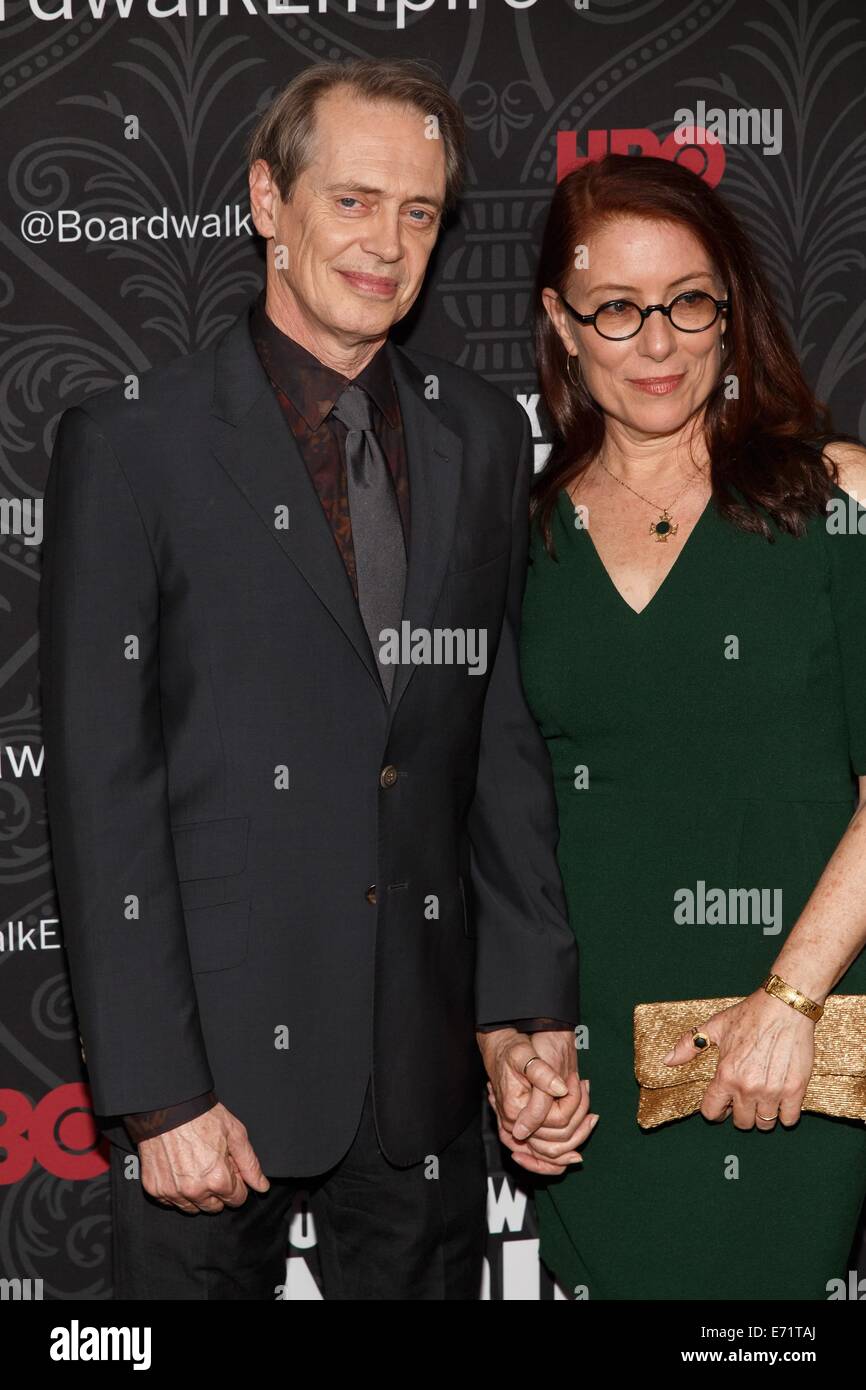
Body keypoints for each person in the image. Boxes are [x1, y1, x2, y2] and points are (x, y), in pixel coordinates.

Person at [38, 59, 596, 1301]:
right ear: (263, 203)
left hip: (422, 1070)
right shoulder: (133, 442)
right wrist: (157, 1089)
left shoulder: (482, 430)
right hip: (212, 1068)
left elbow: (490, 742)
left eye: (417, 212)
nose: (386, 243)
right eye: (351, 201)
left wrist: (523, 1015)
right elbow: (98, 788)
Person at [506, 152, 866, 1300]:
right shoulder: (518, 541)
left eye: (687, 301)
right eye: (615, 308)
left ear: (731, 310)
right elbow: (492, 829)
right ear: (558, 326)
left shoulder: (836, 497)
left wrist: (790, 1001)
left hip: (798, 1033)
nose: (656, 343)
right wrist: (513, 1046)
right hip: (601, 1070)